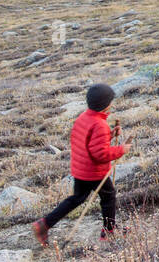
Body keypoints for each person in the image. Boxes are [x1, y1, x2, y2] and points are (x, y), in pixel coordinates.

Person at [32, 83, 128, 244]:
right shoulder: (100, 125)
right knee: (109, 196)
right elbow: (100, 154)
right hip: (94, 172)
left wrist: (109, 135)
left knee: (76, 198)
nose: (112, 103)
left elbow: (89, 142)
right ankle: (110, 231)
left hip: (80, 168)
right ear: (105, 104)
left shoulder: (84, 117)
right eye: (110, 101)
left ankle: (44, 224)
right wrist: (121, 149)